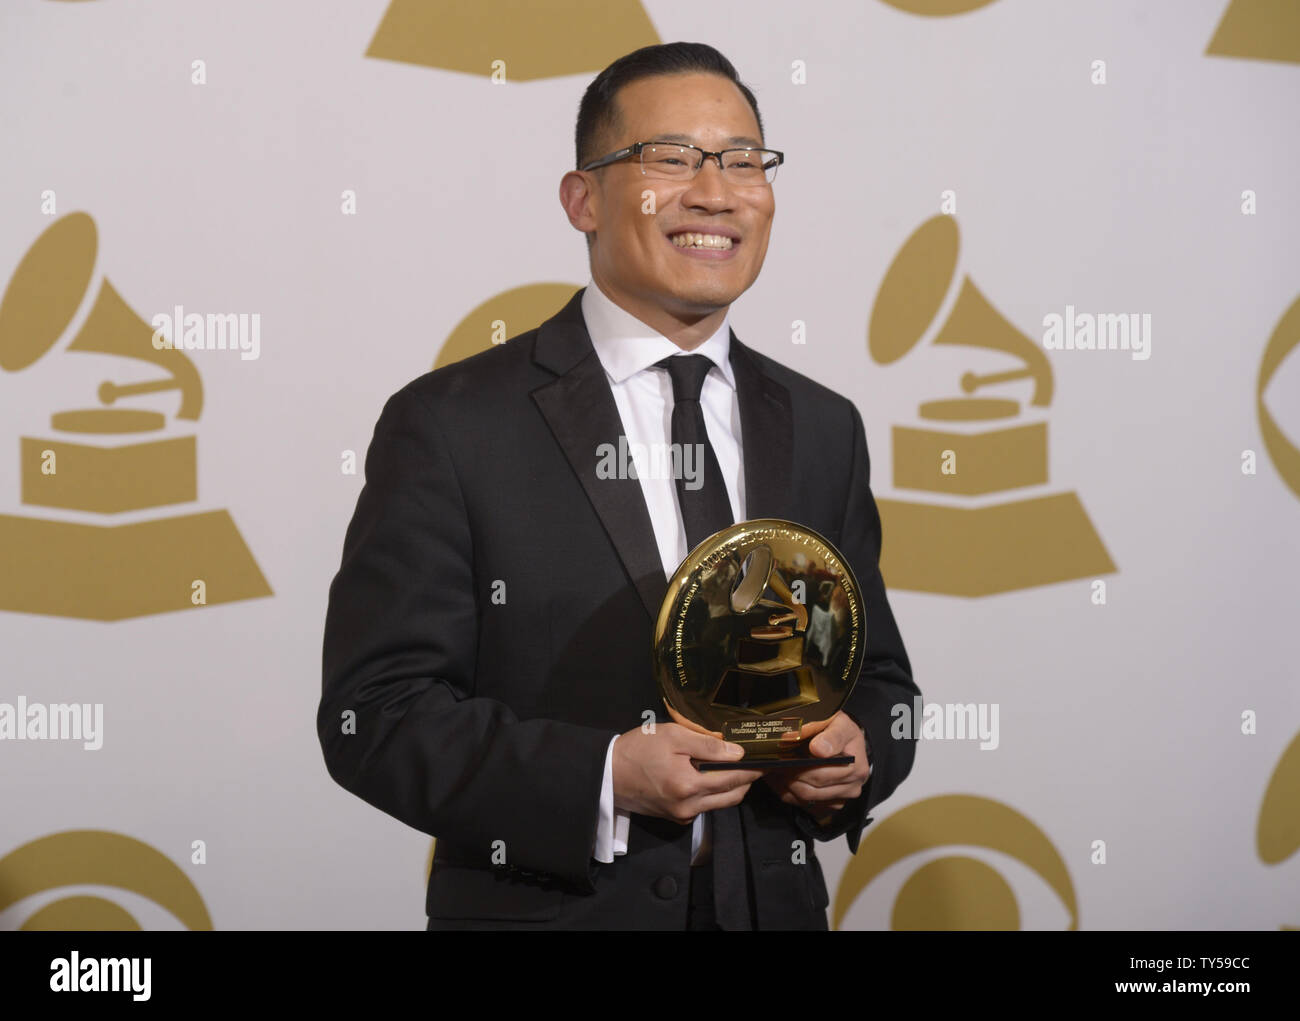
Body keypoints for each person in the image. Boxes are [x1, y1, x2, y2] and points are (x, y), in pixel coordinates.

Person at [318, 41, 919, 930]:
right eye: (671, 159)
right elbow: (376, 715)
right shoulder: (451, 424)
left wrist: (853, 756)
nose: (715, 192)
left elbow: (878, 678)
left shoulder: (825, 425)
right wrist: (603, 776)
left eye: (744, 161)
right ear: (582, 199)